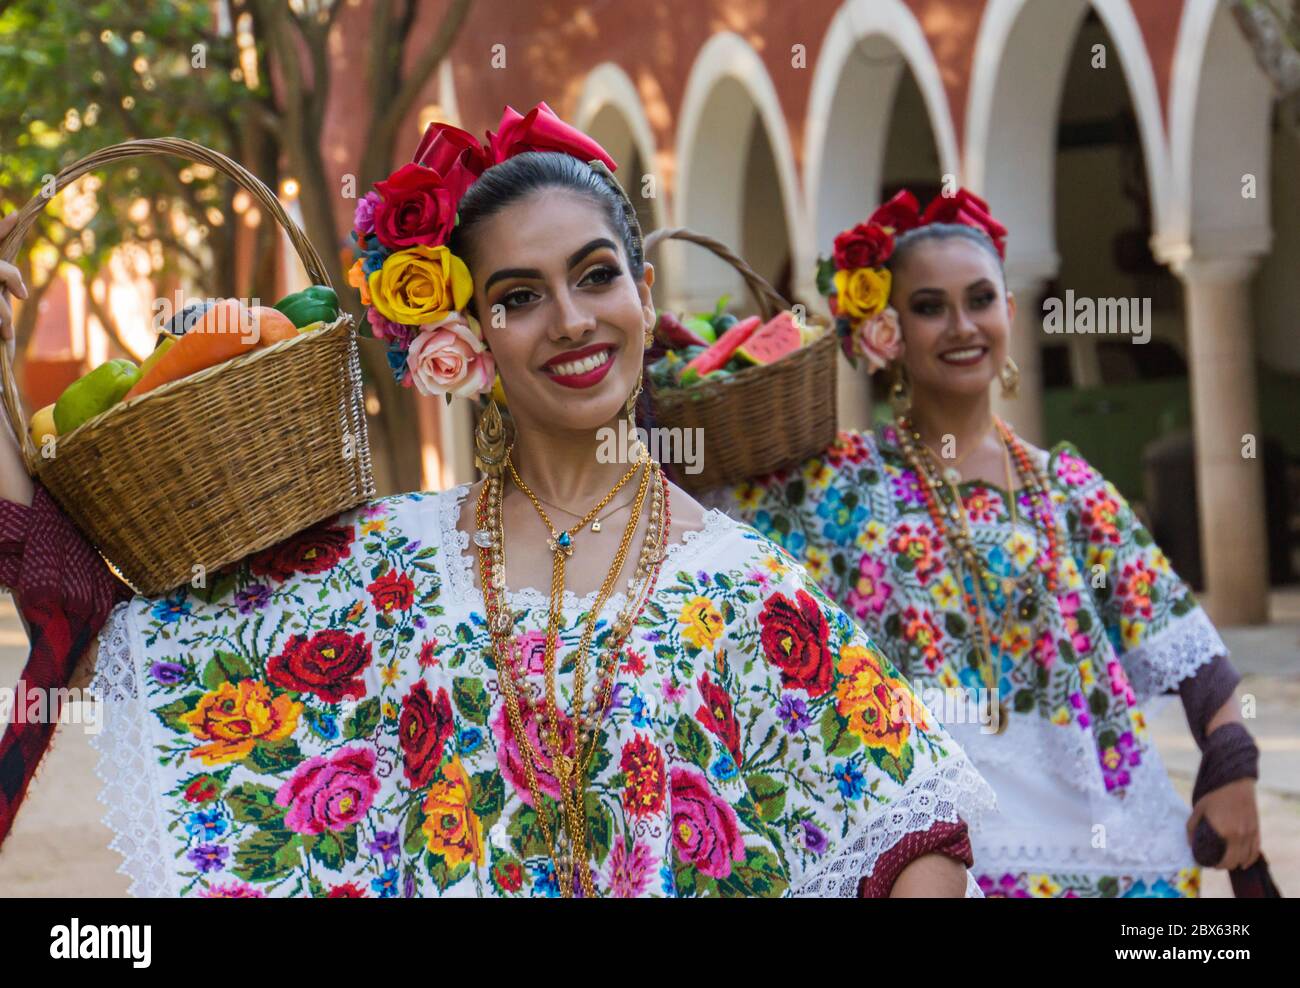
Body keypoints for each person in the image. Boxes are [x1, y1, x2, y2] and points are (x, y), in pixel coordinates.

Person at [0, 107, 993, 897]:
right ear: (468, 337)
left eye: (595, 275)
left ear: (644, 293)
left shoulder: (748, 587)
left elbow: (913, 833)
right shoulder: (387, 572)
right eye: (517, 296)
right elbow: (102, 618)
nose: (570, 320)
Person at [711, 188, 1268, 898]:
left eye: (979, 299)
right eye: (929, 306)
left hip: (1105, 857)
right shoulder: (831, 486)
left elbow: (1181, 637)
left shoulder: (1066, 487)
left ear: (1008, 310)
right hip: (935, 856)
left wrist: (1231, 758)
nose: (960, 325)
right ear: (885, 331)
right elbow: (705, 535)